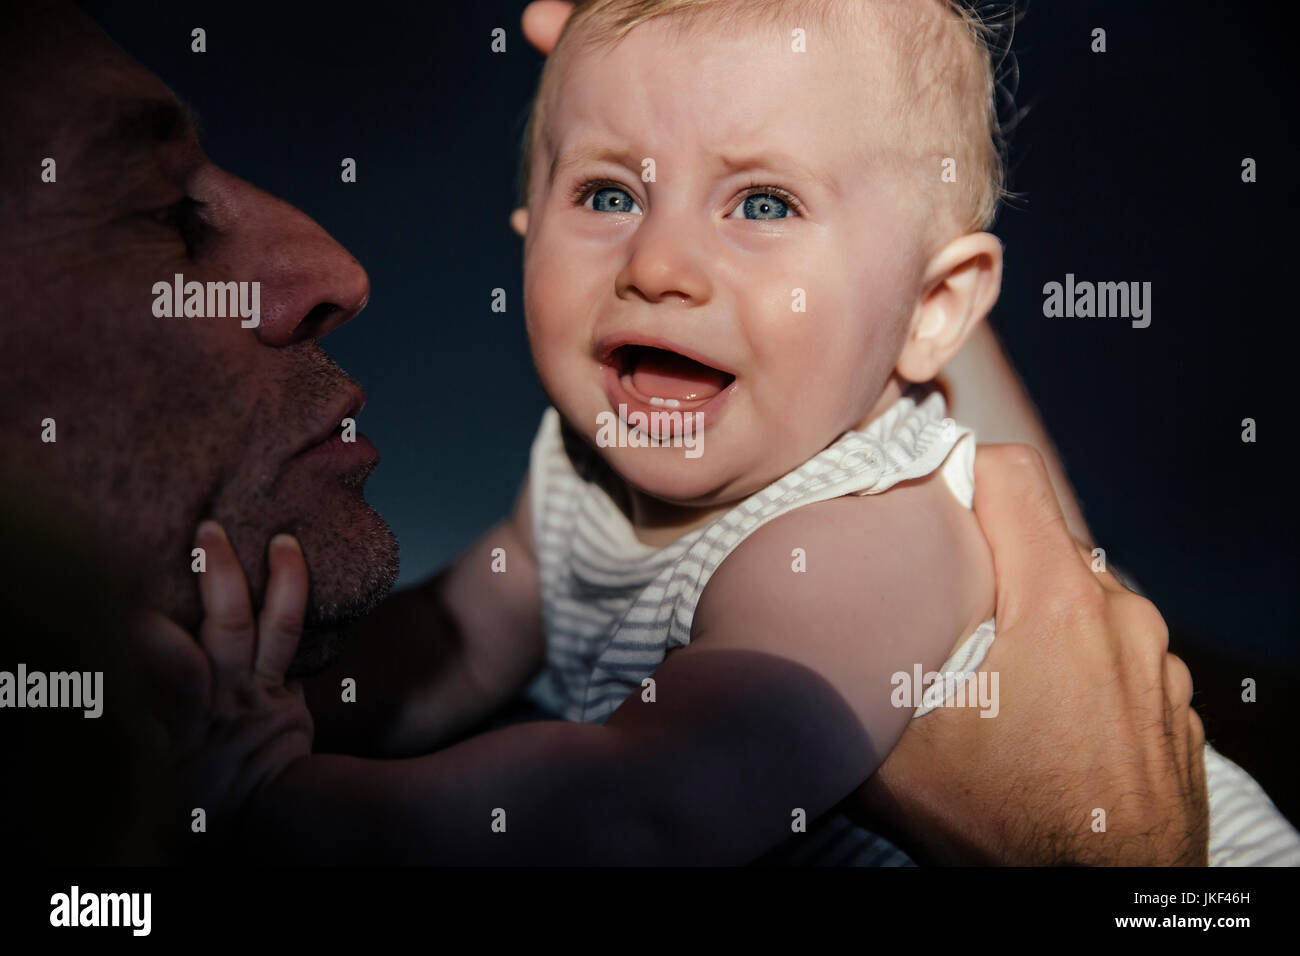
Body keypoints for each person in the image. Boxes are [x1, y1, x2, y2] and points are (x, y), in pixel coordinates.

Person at [137, 0, 1296, 865]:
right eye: (608, 195)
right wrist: (282, 706)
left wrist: (281, 797)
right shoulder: (583, 473)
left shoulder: (863, 540)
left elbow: (640, 809)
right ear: (526, 230)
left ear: (932, 310)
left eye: (762, 203)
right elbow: (458, 639)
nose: (659, 265)